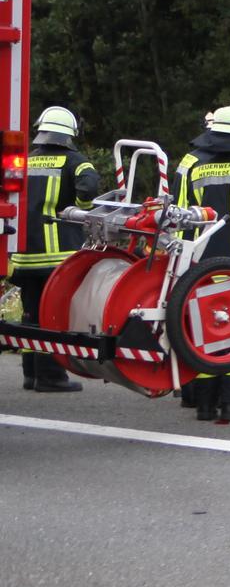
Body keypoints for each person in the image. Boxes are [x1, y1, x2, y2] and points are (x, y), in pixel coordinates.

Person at [173, 102, 230, 421]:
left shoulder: (195, 167)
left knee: (204, 330)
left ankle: (204, 403)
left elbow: (177, 213)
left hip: (199, 264)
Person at [15, 105, 100, 393]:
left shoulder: (25, 160)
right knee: (53, 314)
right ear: (69, 135)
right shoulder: (76, 161)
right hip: (58, 256)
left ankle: (31, 374)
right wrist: (83, 210)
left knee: (31, 314)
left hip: (24, 254)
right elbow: (89, 186)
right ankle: (51, 377)